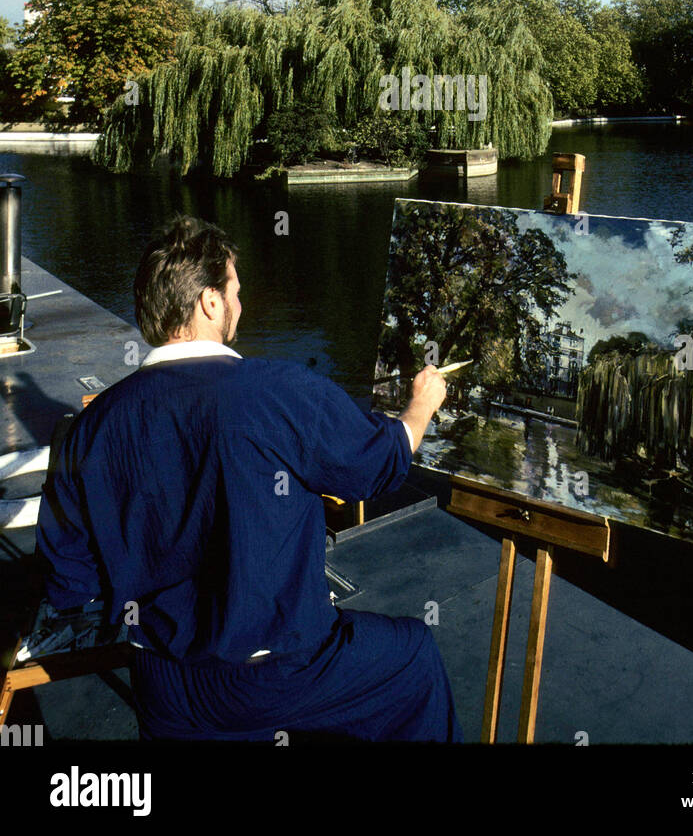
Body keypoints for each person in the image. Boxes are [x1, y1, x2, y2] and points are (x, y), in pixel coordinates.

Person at [36, 214, 462, 743]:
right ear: (210, 303)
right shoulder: (276, 390)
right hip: (271, 677)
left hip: (161, 685)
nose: (240, 304)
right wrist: (420, 407)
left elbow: (68, 577)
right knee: (413, 656)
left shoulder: (92, 427)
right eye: (234, 290)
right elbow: (378, 464)